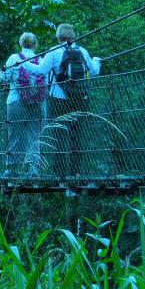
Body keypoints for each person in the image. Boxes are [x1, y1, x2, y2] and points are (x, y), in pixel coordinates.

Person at [20, 23, 101, 178]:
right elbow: (94, 71)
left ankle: (60, 172)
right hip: (80, 98)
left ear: (59, 37)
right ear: (73, 36)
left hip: (59, 99)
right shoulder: (82, 51)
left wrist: (23, 64)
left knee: (59, 133)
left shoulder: (54, 52)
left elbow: (40, 71)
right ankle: (76, 172)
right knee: (77, 135)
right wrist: (97, 60)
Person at [0, 32, 48, 176]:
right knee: (35, 135)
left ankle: (12, 168)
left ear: (20, 44)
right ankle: (34, 170)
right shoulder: (41, 60)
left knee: (15, 134)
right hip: (38, 102)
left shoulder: (14, 58)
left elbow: (4, 78)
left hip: (16, 100)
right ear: (35, 45)